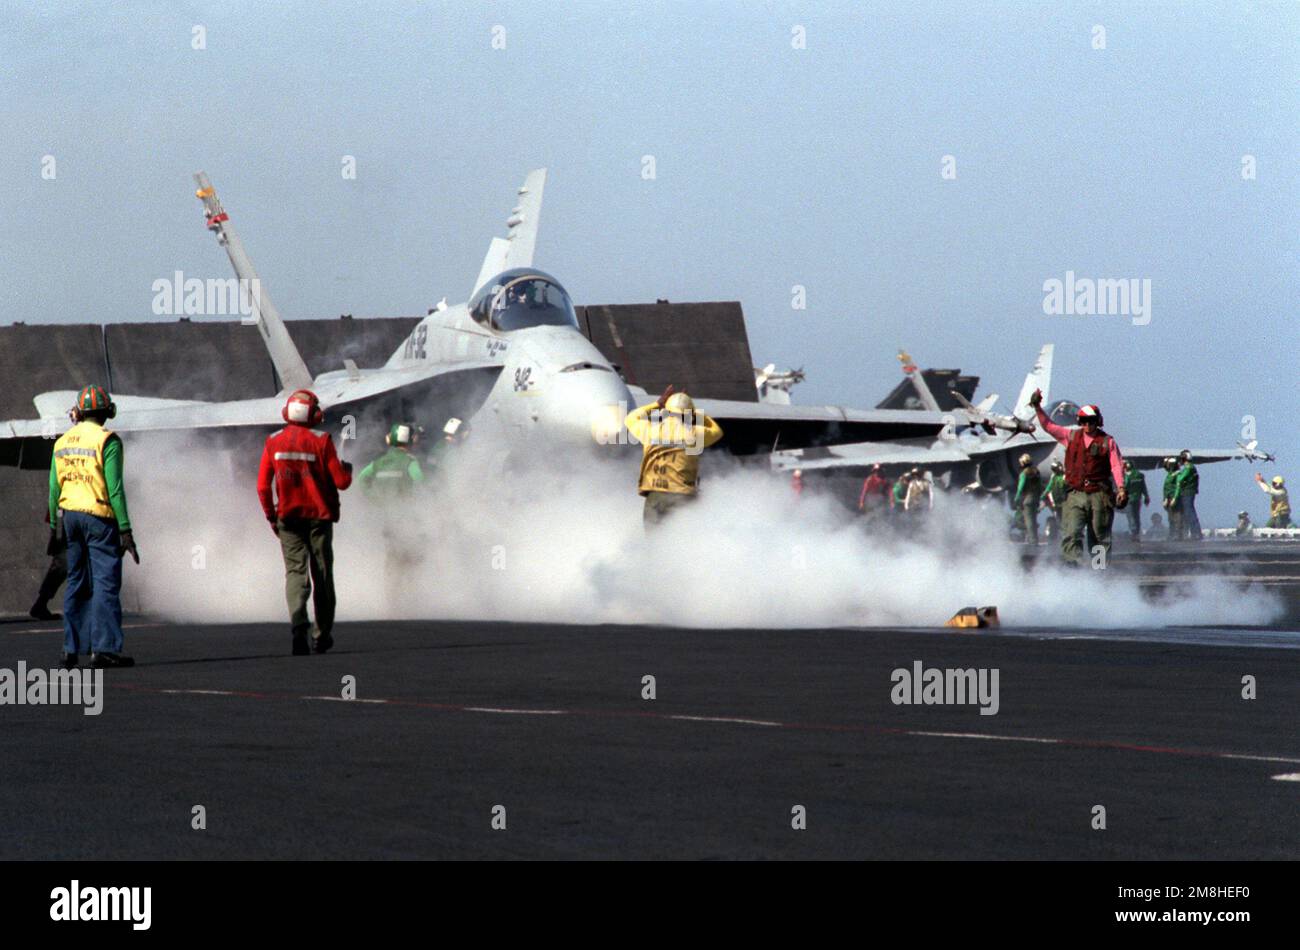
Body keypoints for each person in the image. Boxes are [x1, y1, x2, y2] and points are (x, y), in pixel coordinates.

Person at [257, 389, 353, 656]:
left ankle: (299, 626)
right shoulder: (322, 441)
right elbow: (342, 483)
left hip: (287, 518)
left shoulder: (273, 441)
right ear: (315, 414)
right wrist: (348, 471)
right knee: (322, 575)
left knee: (295, 574)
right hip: (318, 520)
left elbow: (263, 486)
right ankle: (321, 636)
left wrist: (271, 517)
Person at [49, 385, 139, 668]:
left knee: (77, 580)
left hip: (71, 518)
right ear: (108, 412)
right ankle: (104, 649)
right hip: (99, 518)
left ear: (79, 412)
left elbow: (53, 488)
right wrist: (125, 530)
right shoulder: (108, 441)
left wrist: (53, 527)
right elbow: (115, 490)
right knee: (105, 583)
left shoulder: (62, 442)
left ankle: (70, 649)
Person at [1029, 390, 1127, 566]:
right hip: (1075, 494)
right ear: (1079, 422)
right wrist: (1037, 407)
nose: (1088, 425)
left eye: (1091, 421)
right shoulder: (1070, 436)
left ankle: (1100, 570)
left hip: (1100, 495)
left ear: (1098, 421)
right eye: (1084, 421)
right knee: (1071, 532)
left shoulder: (1108, 442)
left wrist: (1120, 488)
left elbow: (1116, 465)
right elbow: (1048, 426)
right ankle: (1072, 570)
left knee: (1099, 537)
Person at [624, 385, 723, 527]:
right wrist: (695, 414)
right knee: (682, 543)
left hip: (655, 497)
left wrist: (658, 404)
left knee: (654, 543)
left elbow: (630, 418)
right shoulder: (694, 434)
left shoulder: (650, 430)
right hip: (682, 497)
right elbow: (716, 430)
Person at [358, 423, 426, 600]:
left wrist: (376, 498)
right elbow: (420, 481)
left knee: (392, 555)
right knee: (411, 556)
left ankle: (391, 596)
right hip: (406, 517)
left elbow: (362, 480)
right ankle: (409, 597)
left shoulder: (379, 463)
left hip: (387, 516)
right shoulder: (410, 462)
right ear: (409, 440)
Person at [29, 509, 68, 621]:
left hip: (68, 511)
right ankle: (41, 603)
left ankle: (41, 603)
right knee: (63, 561)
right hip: (69, 511)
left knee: (63, 562)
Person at [1012, 454, 1042, 544]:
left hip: (1027, 500)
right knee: (1033, 519)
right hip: (1036, 498)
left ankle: (1032, 542)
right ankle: (1035, 540)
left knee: (1028, 521)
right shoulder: (1036, 472)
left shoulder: (1024, 473)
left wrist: (1016, 498)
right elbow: (1040, 486)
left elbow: (1020, 488)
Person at [1174, 450, 1202, 540]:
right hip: (1190, 492)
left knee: (1189, 512)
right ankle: (1195, 532)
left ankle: (1196, 533)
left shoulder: (1188, 468)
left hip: (1187, 492)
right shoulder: (1191, 467)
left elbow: (1180, 479)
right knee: (1190, 512)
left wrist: (1177, 474)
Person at [1122, 460, 1150, 543]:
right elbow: (1143, 487)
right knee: (1137, 516)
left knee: (1130, 516)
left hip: (1128, 498)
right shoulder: (1140, 475)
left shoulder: (1126, 476)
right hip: (1138, 498)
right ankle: (1137, 533)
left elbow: (1125, 486)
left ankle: (1134, 533)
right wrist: (1146, 497)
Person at [1041, 460, 1068, 539]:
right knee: (1061, 519)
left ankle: (1065, 535)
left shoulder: (1057, 477)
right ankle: (1065, 535)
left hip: (1060, 502)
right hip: (1060, 502)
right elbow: (1049, 488)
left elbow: (1048, 488)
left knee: (1061, 519)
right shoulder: (1058, 477)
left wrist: (1043, 497)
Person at [1161, 457, 1183, 540]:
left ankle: (1178, 534)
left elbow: (1178, 487)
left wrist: (1175, 498)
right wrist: (1165, 498)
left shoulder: (1178, 474)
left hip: (1175, 498)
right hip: (1169, 498)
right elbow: (1166, 488)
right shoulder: (1170, 474)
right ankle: (1172, 533)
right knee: (1170, 518)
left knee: (1177, 516)